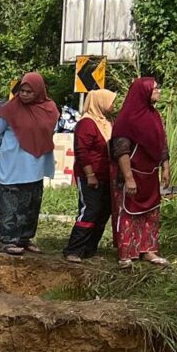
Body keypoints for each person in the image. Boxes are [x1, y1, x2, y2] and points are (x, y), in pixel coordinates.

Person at [0, 71, 58, 253]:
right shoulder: (10, 109)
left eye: (29, 91)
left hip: (36, 164)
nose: (24, 95)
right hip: (13, 164)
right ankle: (9, 240)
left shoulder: (49, 108)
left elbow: (51, 130)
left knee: (31, 204)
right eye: (22, 91)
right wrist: (4, 151)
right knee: (10, 203)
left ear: (39, 91)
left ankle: (25, 238)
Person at [110, 75, 169, 266]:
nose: (159, 91)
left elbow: (162, 143)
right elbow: (121, 150)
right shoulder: (126, 119)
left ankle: (149, 250)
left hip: (150, 174)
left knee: (151, 213)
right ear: (144, 92)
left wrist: (165, 167)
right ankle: (127, 253)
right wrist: (129, 178)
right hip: (132, 173)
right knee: (129, 213)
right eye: (155, 88)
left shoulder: (155, 116)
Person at [62, 88, 117, 262]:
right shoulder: (87, 123)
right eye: (111, 102)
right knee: (89, 211)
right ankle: (74, 249)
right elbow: (82, 151)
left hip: (106, 175)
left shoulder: (106, 122)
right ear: (100, 102)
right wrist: (90, 174)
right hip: (90, 175)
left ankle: (89, 249)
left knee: (103, 213)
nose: (114, 105)